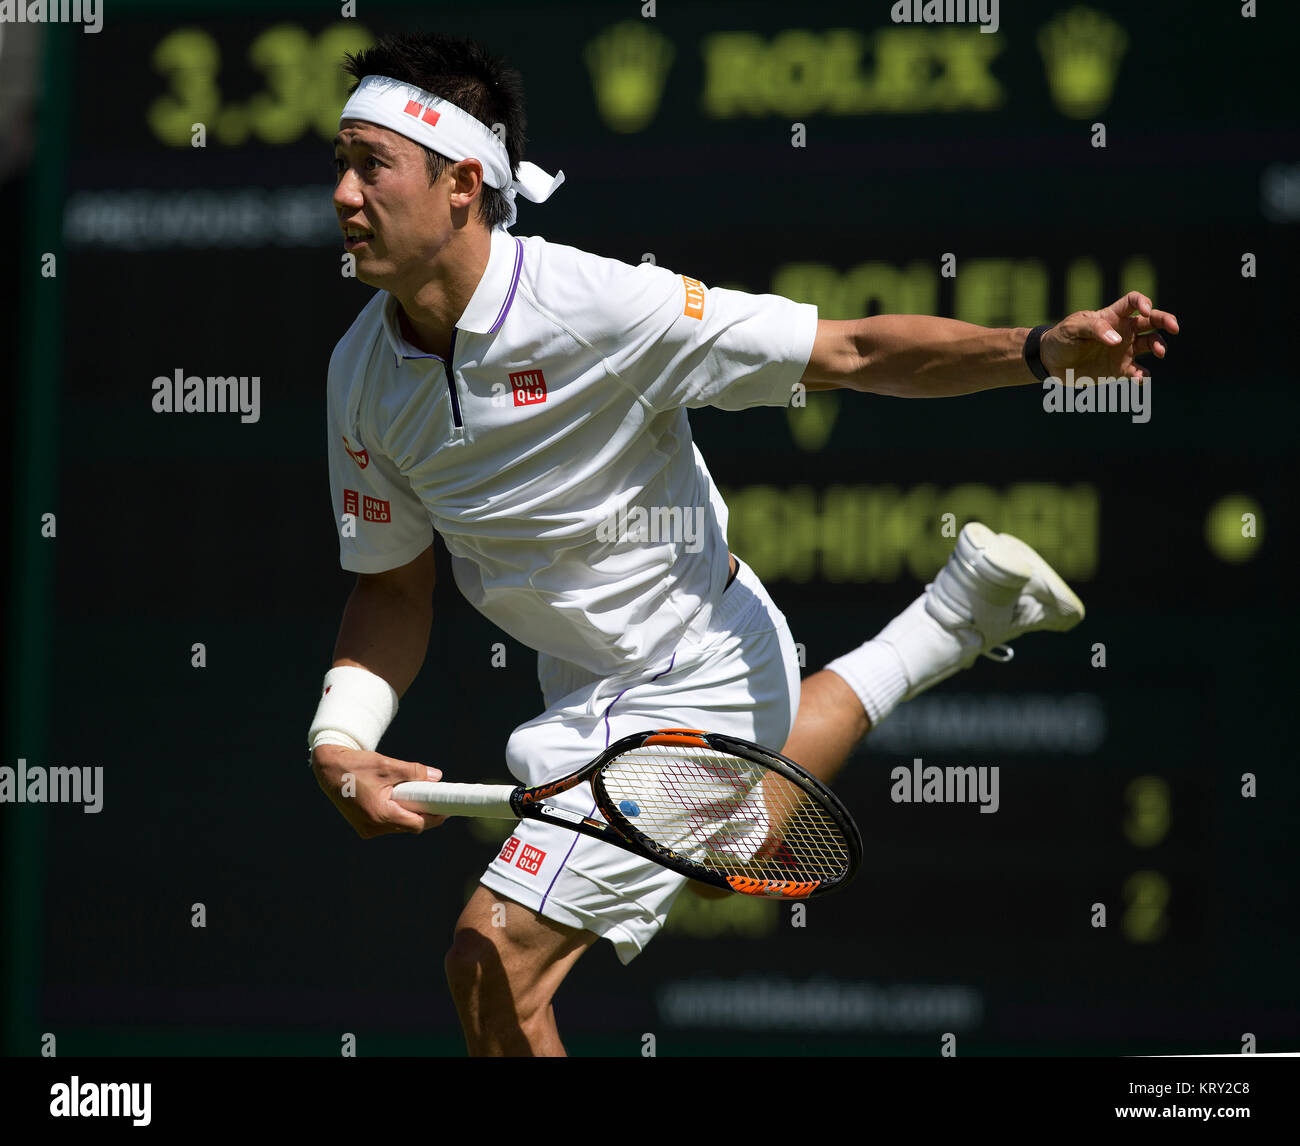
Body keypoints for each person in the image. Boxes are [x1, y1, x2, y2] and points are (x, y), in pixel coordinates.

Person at [307, 31, 1179, 1056]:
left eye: (373, 165)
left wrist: (1037, 352)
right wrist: (340, 740)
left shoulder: (602, 307)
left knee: (492, 962)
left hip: (704, 672)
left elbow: (849, 352)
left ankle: (945, 624)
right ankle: (953, 621)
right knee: (750, 823)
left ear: (461, 184)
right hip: (581, 687)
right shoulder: (358, 378)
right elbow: (394, 591)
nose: (343, 196)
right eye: (339, 166)